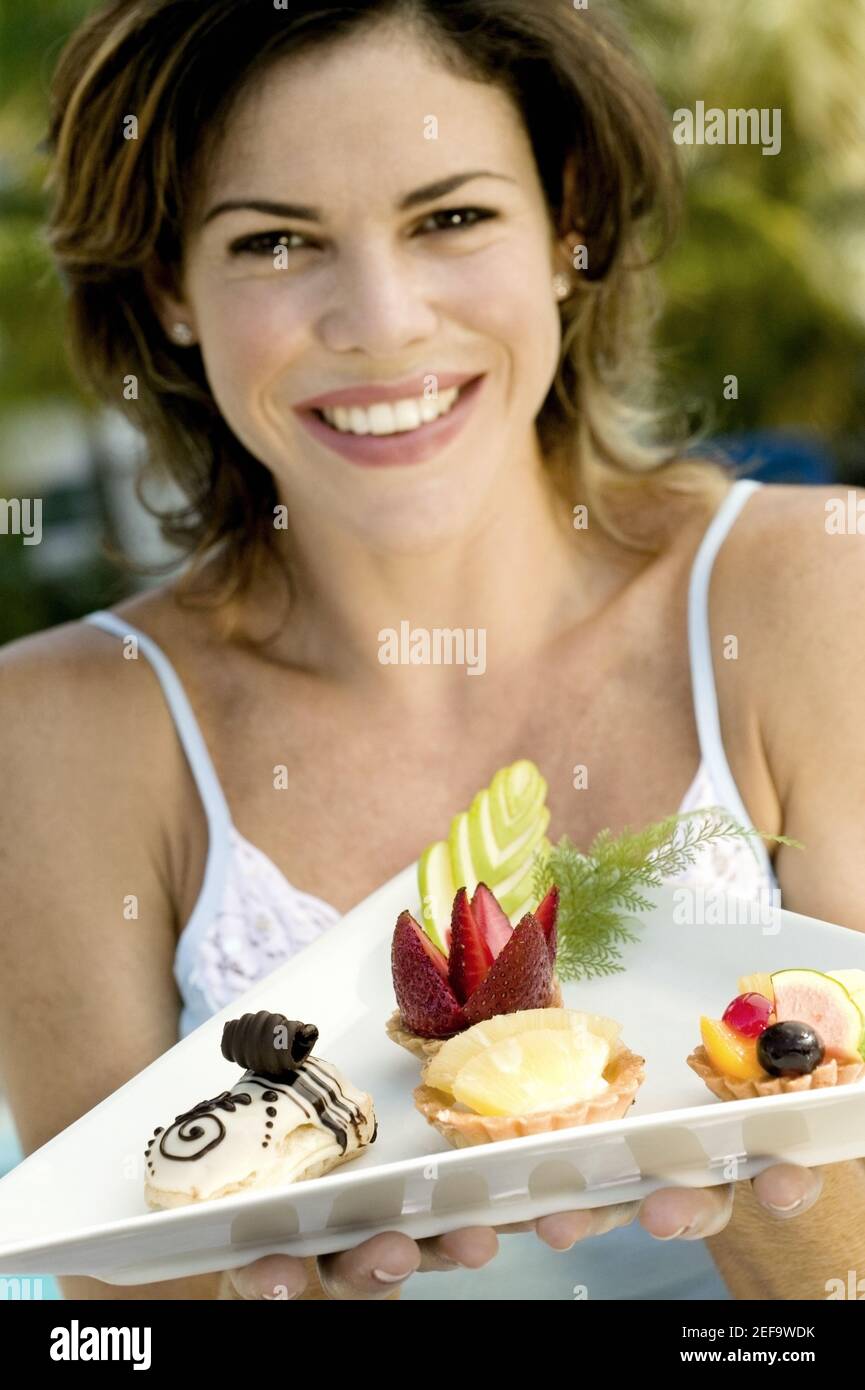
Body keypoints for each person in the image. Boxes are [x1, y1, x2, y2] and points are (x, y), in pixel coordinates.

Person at [1, 0, 864, 1302]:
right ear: (171, 289)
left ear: (567, 222)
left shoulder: (820, 589)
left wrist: (753, 1186)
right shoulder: (60, 728)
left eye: (448, 217)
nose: (383, 320)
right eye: (277, 239)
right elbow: (118, 1312)